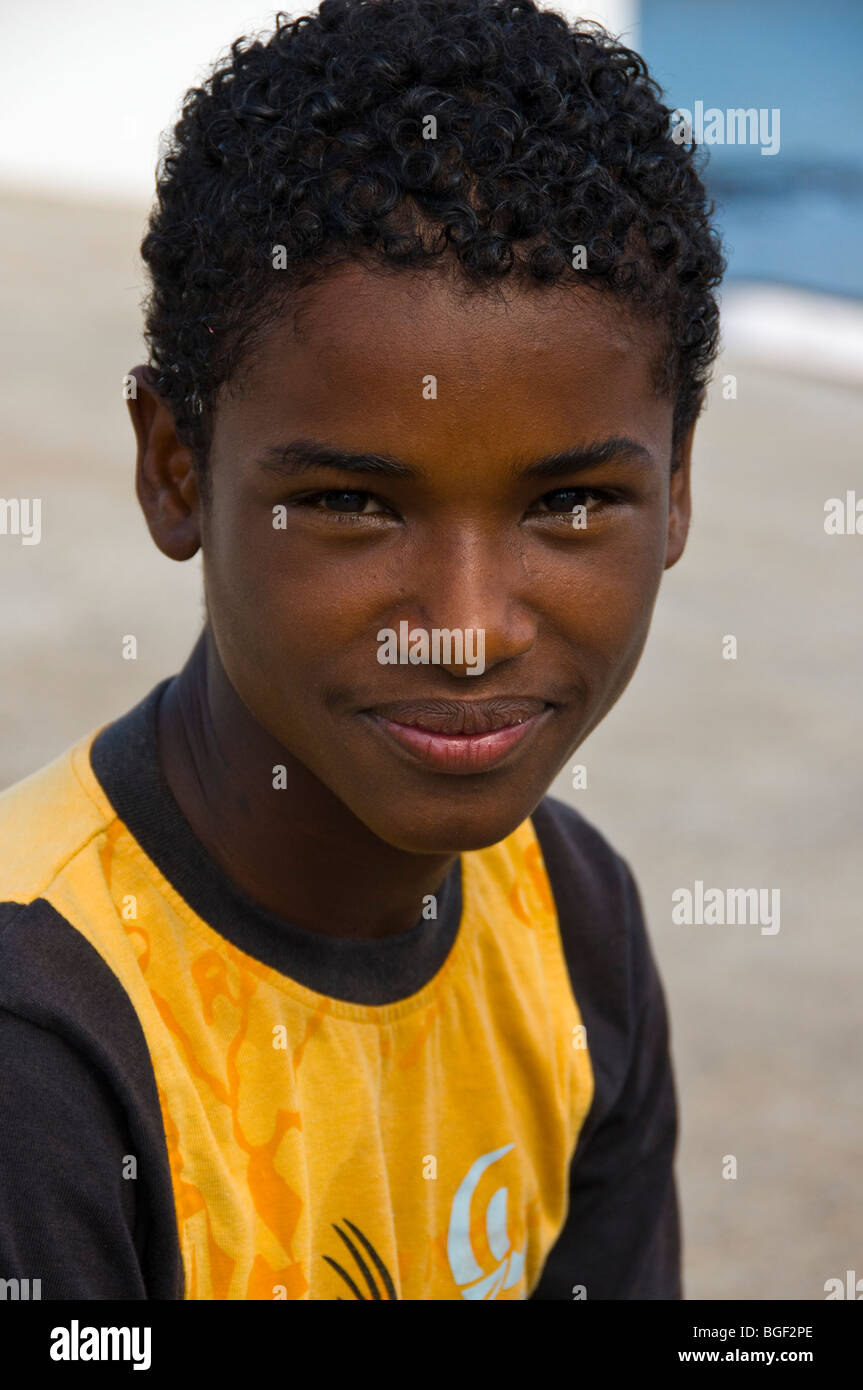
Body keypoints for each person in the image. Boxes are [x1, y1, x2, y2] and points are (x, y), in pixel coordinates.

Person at [0, 0, 724, 1300]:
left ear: (676, 488)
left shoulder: (575, 924)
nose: (470, 624)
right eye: (353, 502)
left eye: (568, 502)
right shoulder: (44, 1035)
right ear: (177, 470)